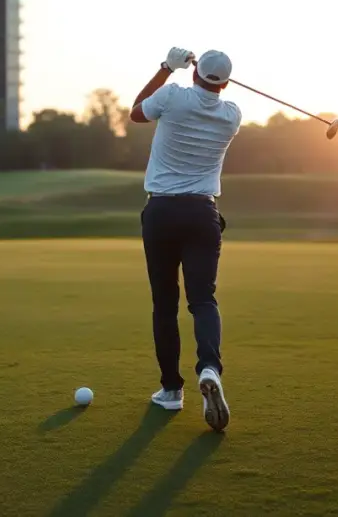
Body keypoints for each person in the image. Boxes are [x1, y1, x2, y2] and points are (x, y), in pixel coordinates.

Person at [128, 46, 242, 432]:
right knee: (203, 300)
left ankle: (171, 391)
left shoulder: (173, 95)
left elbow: (136, 112)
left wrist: (166, 68)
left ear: (194, 73)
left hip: (162, 212)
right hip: (202, 214)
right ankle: (209, 368)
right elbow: (210, 91)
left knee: (165, 304)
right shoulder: (232, 115)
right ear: (226, 83)